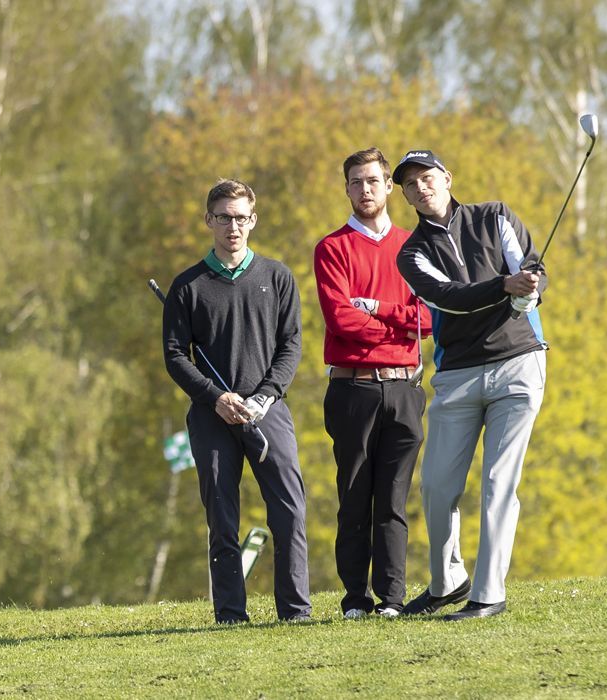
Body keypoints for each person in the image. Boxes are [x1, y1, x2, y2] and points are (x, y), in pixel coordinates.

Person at [390, 149, 547, 622]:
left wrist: (532, 285)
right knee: (438, 487)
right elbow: (449, 299)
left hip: (518, 363)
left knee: (500, 482)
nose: (421, 187)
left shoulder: (494, 216)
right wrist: (505, 286)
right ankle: (447, 581)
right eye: (411, 184)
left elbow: (533, 267)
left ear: (447, 178)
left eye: (428, 178)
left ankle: (489, 593)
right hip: (457, 374)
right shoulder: (411, 253)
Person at [163, 178, 310, 624]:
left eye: (241, 217)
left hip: (268, 410)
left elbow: (291, 344)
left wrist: (266, 395)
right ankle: (230, 613)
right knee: (222, 516)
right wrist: (214, 396)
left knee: (289, 509)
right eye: (224, 217)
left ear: (253, 220)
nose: (233, 226)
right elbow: (174, 355)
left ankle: (295, 612)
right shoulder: (188, 285)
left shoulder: (277, 276)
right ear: (208, 220)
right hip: (212, 415)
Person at [312, 148, 431, 620]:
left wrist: (378, 309)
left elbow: (427, 318)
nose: (366, 190)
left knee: (394, 499)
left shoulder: (415, 247)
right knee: (355, 495)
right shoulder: (332, 248)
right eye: (356, 182)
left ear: (389, 188)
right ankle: (355, 599)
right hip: (354, 389)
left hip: (405, 388)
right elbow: (341, 320)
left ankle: (392, 599)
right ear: (347, 189)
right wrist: (399, 326)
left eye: (374, 181)